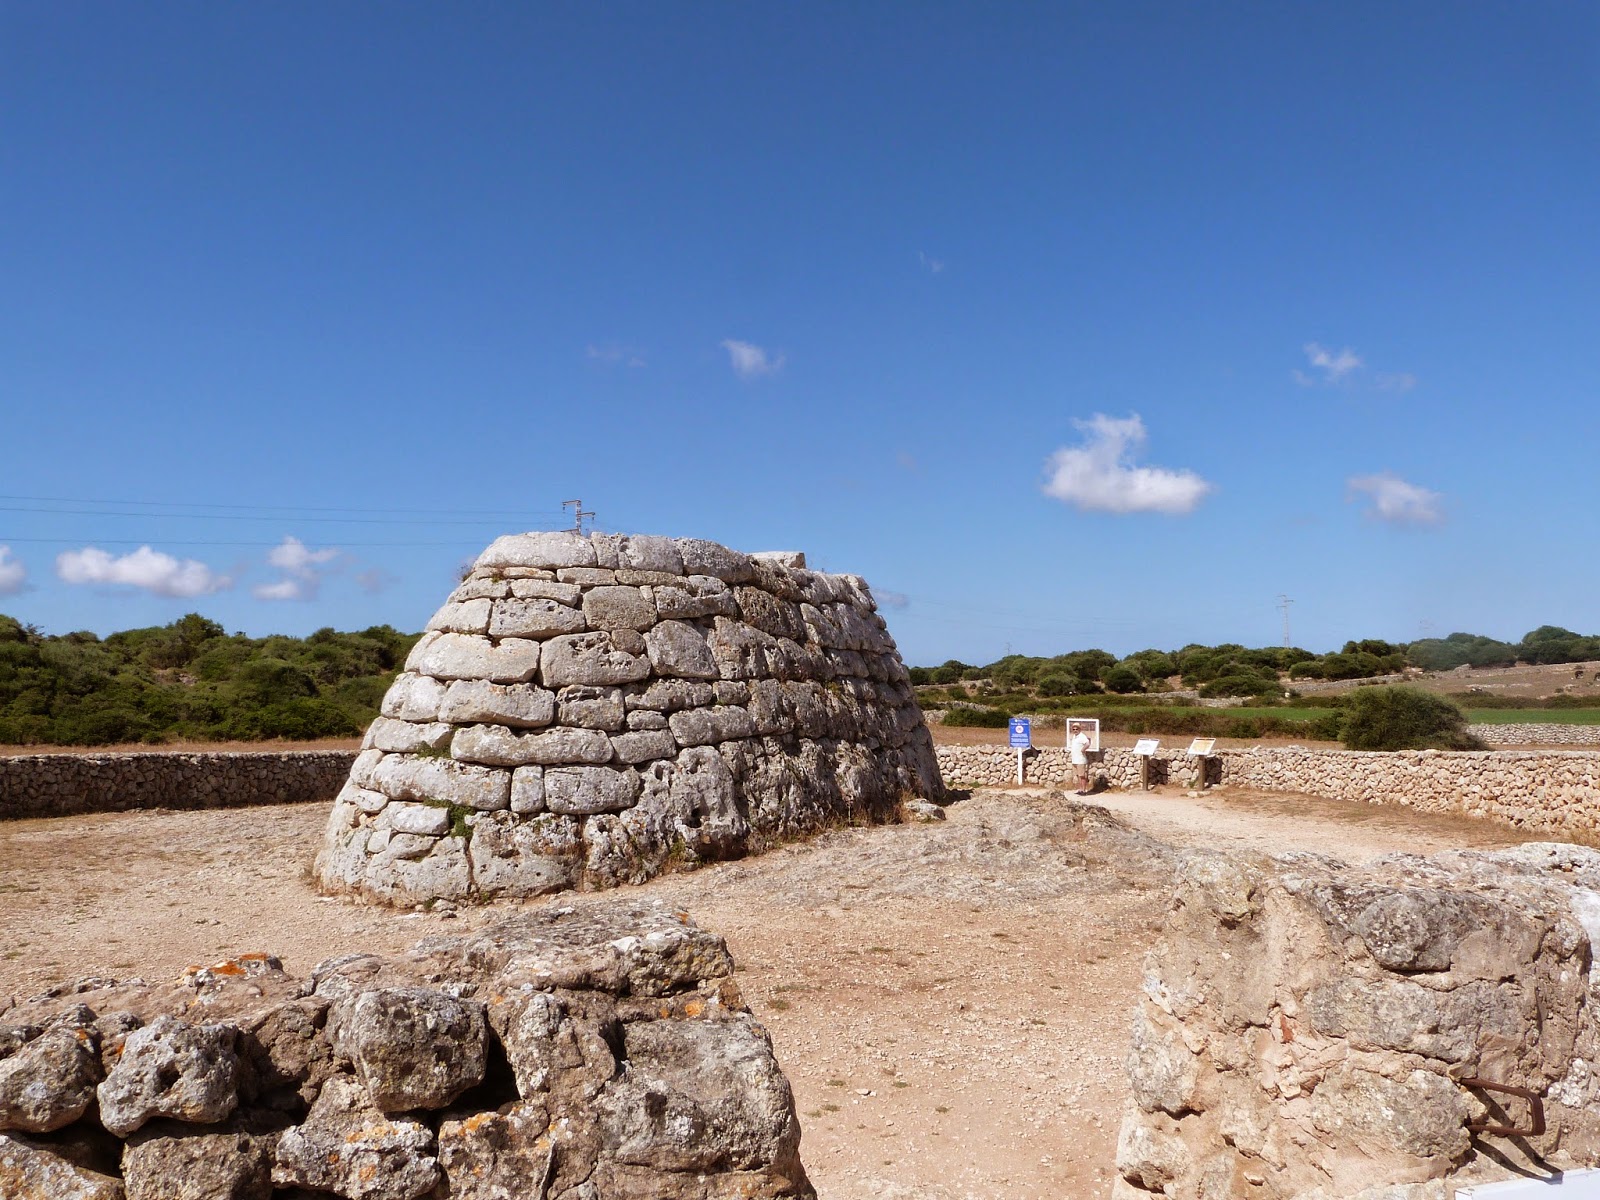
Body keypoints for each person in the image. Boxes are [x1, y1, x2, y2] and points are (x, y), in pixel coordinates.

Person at [1070, 725, 1092, 795]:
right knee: (1078, 775)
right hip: (1075, 759)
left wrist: (1083, 749)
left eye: (1076, 729)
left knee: (1082, 776)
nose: (1075, 730)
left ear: (1079, 729)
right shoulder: (1074, 737)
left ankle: (1084, 790)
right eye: (1074, 729)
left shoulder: (1082, 736)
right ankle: (1080, 789)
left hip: (1080, 759)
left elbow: (1087, 743)